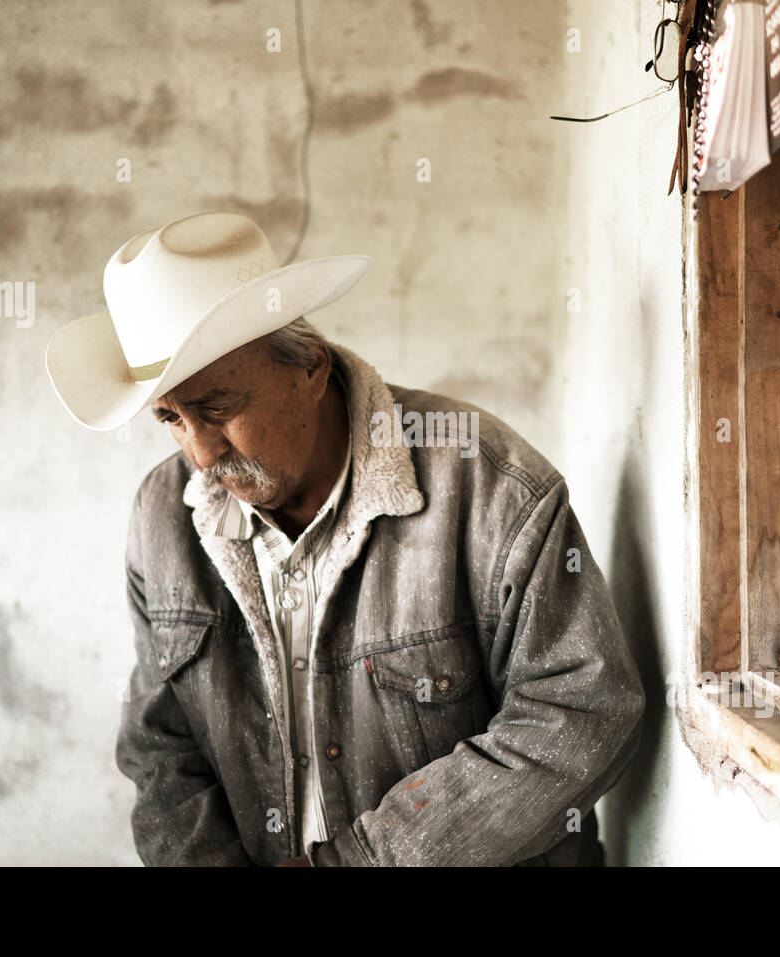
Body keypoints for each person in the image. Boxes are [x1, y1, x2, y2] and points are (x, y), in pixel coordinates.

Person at [45, 211, 646, 866]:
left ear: (309, 367)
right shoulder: (161, 517)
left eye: (217, 408)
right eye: (170, 417)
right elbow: (160, 749)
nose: (201, 451)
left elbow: (584, 714)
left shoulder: (491, 485)